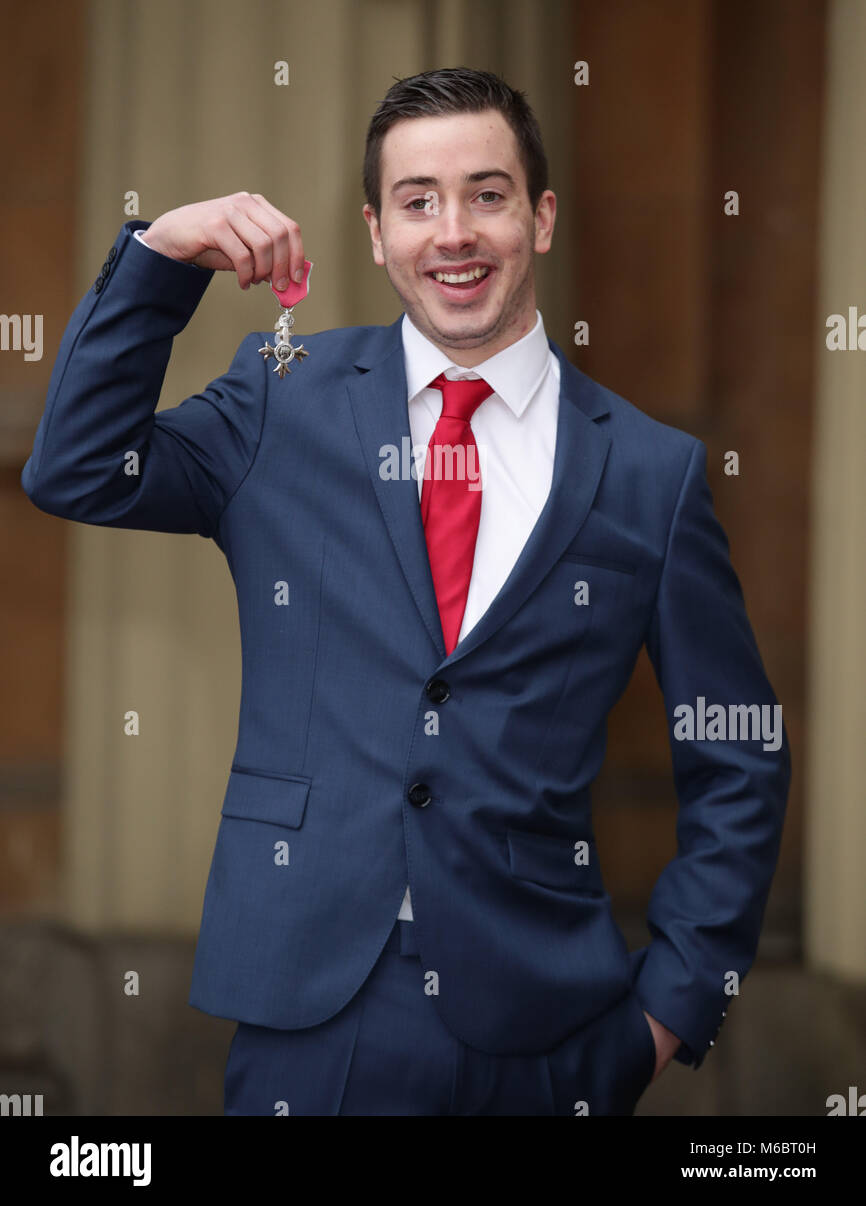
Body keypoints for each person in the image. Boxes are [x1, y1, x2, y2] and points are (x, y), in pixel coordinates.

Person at [21, 67, 790, 1116]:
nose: (453, 232)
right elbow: (75, 467)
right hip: (310, 1017)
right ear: (377, 233)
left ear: (540, 218)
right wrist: (160, 256)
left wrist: (667, 1010)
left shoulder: (651, 475)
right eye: (419, 201)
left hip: (547, 1032)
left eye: (487, 193)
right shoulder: (277, 398)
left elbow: (736, 748)